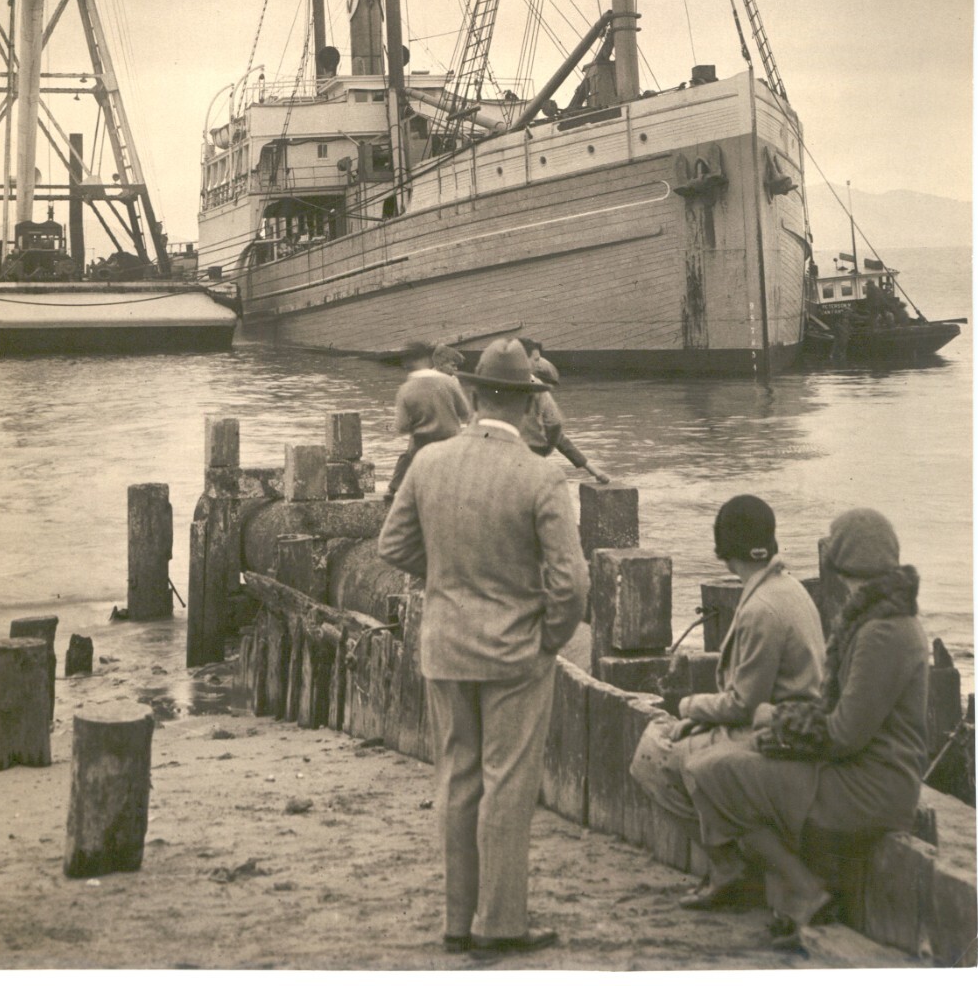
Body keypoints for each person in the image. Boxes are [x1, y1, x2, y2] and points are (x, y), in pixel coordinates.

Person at [378, 338, 589, 957]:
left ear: (472, 397)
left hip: (446, 645)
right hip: (515, 652)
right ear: (528, 404)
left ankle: (455, 922)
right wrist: (548, 638)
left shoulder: (428, 464)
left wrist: (446, 577)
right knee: (507, 785)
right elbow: (571, 583)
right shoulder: (541, 475)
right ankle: (499, 922)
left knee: (457, 779)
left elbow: (392, 547)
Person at [678, 508, 929, 950]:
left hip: (870, 787)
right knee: (713, 766)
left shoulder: (883, 632)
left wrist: (776, 722)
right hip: (863, 774)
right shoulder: (879, 620)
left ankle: (802, 890)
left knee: (711, 772)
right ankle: (796, 890)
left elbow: (845, 735)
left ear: (842, 563)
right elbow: (841, 722)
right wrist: (779, 727)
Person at [630, 496, 825, 905]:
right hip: (786, 722)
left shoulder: (761, 609)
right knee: (678, 743)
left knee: (653, 755)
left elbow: (743, 705)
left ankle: (727, 865)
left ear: (724, 547)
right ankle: (735, 859)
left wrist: (688, 707)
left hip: (771, 734)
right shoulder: (788, 588)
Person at [518, 337, 610, 484]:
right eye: (535, 360)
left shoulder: (493, 385)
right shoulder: (536, 386)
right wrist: (591, 468)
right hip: (529, 462)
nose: (539, 365)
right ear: (522, 359)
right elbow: (554, 425)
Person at [386, 340, 470, 500]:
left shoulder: (406, 389)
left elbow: (401, 426)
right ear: (428, 360)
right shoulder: (449, 382)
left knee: (407, 457)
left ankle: (392, 489)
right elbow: (465, 411)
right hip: (449, 440)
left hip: (422, 441)